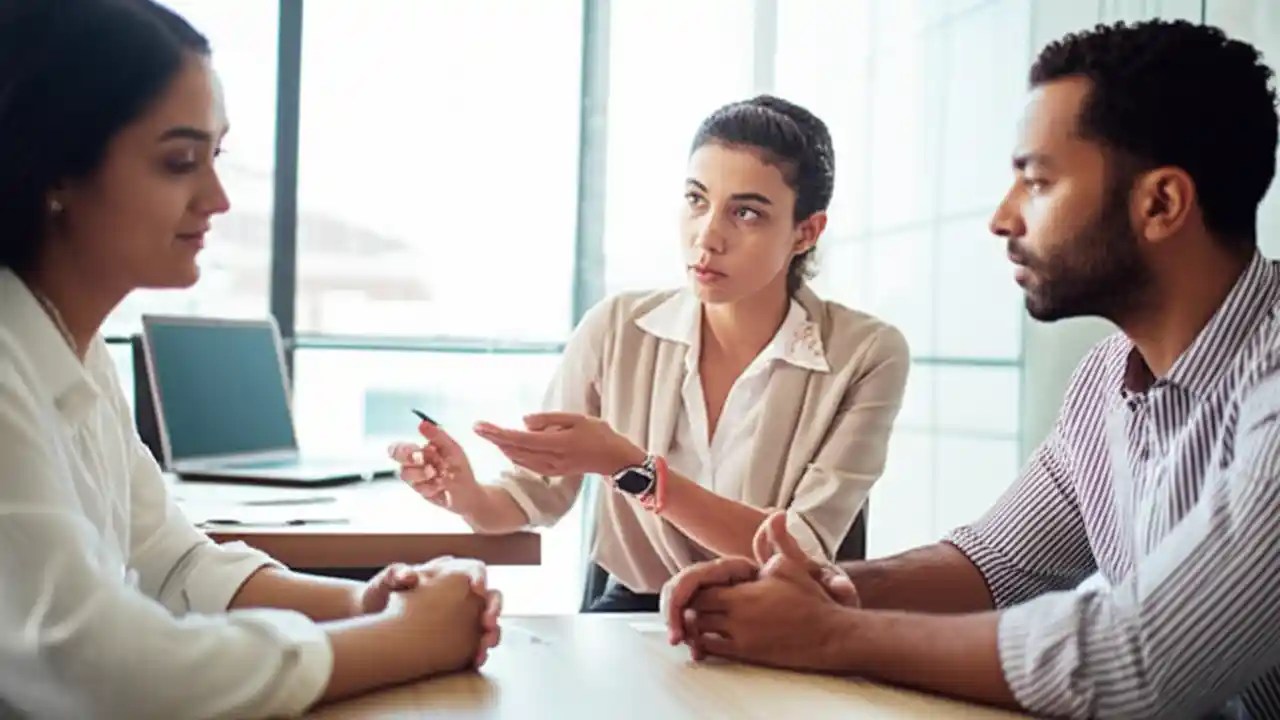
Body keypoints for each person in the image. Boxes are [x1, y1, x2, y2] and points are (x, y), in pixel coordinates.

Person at [661, 19, 1280, 720]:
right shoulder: (1108, 377)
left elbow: (1137, 659)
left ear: (1161, 204)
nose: (1002, 218)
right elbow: (994, 565)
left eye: (1037, 183)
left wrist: (833, 634)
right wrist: (818, 585)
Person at [0, 2, 499, 718]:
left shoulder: (74, 354)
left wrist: (368, 600)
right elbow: (91, 664)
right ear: (57, 171)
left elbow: (173, 563)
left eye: (215, 156)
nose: (217, 198)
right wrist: (407, 640)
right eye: (179, 161)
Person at [391, 95, 910, 612]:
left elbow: (799, 551)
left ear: (806, 232)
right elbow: (537, 492)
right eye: (696, 199)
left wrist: (630, 468)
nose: (708, 236)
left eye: (746, 213)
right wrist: (466, 495)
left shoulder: (865, 354)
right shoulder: (618, 327)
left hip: (782, 620)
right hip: (636, 619)